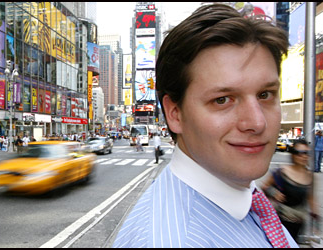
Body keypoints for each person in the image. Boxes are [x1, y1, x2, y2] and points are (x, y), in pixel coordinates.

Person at [113, 4, 298, 247]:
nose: (257, 122)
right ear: (175, 113)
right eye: (222, 100)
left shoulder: (243, 195)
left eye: (265, 95)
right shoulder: (172, 241)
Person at [260, 139, 321, 242]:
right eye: (299, 153)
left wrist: (316, 223)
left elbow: (311, 199)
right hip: (279, 222)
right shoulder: (281, 172)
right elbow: (264, 187)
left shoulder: (310, 177)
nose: (304, 156)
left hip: (298, 223)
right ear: (293, 154)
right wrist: (273, 193)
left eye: (307, 153)